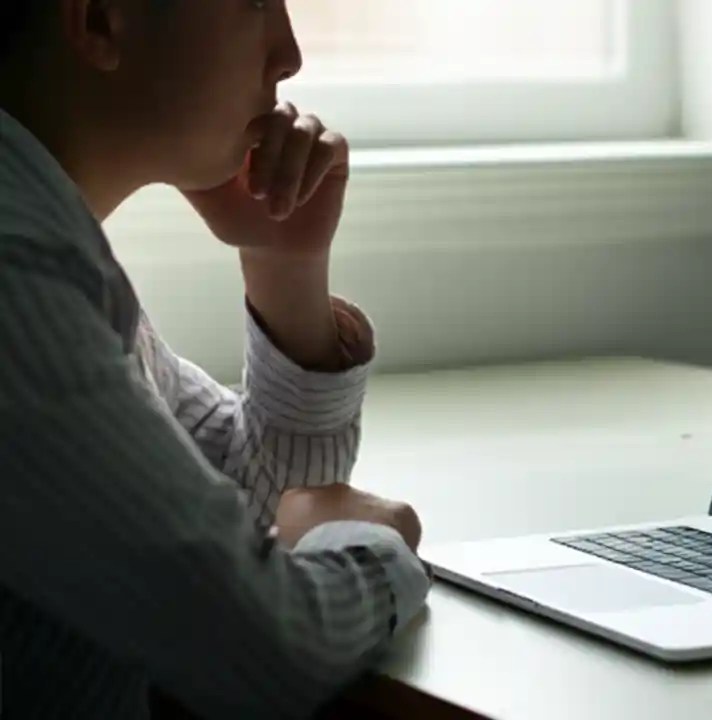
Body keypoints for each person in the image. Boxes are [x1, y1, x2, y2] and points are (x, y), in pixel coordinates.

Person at [0, 1, 432, 717]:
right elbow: (267, 648)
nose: (289, 54)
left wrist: (283, 263)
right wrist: (378, 547)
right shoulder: (16, 268)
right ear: (103, 19)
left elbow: (243, 514)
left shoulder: (43, 242)